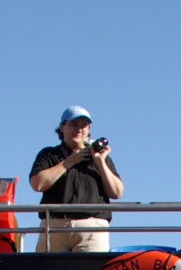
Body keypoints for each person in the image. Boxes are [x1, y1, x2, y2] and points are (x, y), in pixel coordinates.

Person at [29, 106, 124, 253]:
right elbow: (38, 184)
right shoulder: (49, 154)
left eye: (83, 126)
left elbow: (117, 192)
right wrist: (70, 161)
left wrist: (100, 162)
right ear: (62, 127)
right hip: (55, 225)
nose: (78, 129)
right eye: (73, 124)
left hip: (91, 226)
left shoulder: (100, 158)